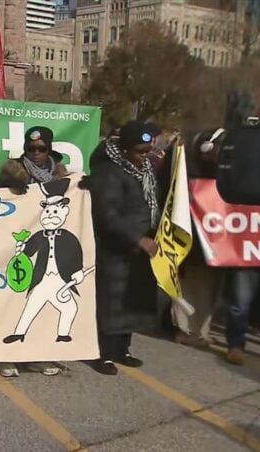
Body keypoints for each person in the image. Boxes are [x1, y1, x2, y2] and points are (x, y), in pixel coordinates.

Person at [89, 120, 162, 376]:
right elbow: (106, 214)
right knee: (111, 302)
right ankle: (103, 353)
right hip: (115, 249)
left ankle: (123, 349)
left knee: (132, 301)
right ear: (125, 149)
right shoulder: (109, 173)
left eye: (147, 151)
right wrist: (137, 238)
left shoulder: (145, 171)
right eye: (139, 151)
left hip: (140, 251)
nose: (145, 156)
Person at [0, 126, 69, 378]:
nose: (35, 153)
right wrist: (9, 187)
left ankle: (36, 355)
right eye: (30, 148)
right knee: (14, 299)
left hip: (49, 248)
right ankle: (6, 356)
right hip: (18, 246)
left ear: (49, 149)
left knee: (41, 302)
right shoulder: (13, 171)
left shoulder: (60, 175)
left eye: (41, 149)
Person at [171, 129, 226, 348]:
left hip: (216, 242)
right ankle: (185, 329)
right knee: (188, 287)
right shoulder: (188, 173)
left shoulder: (226, 176)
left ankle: (201, 331)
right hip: (191, 240)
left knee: (209, 288)